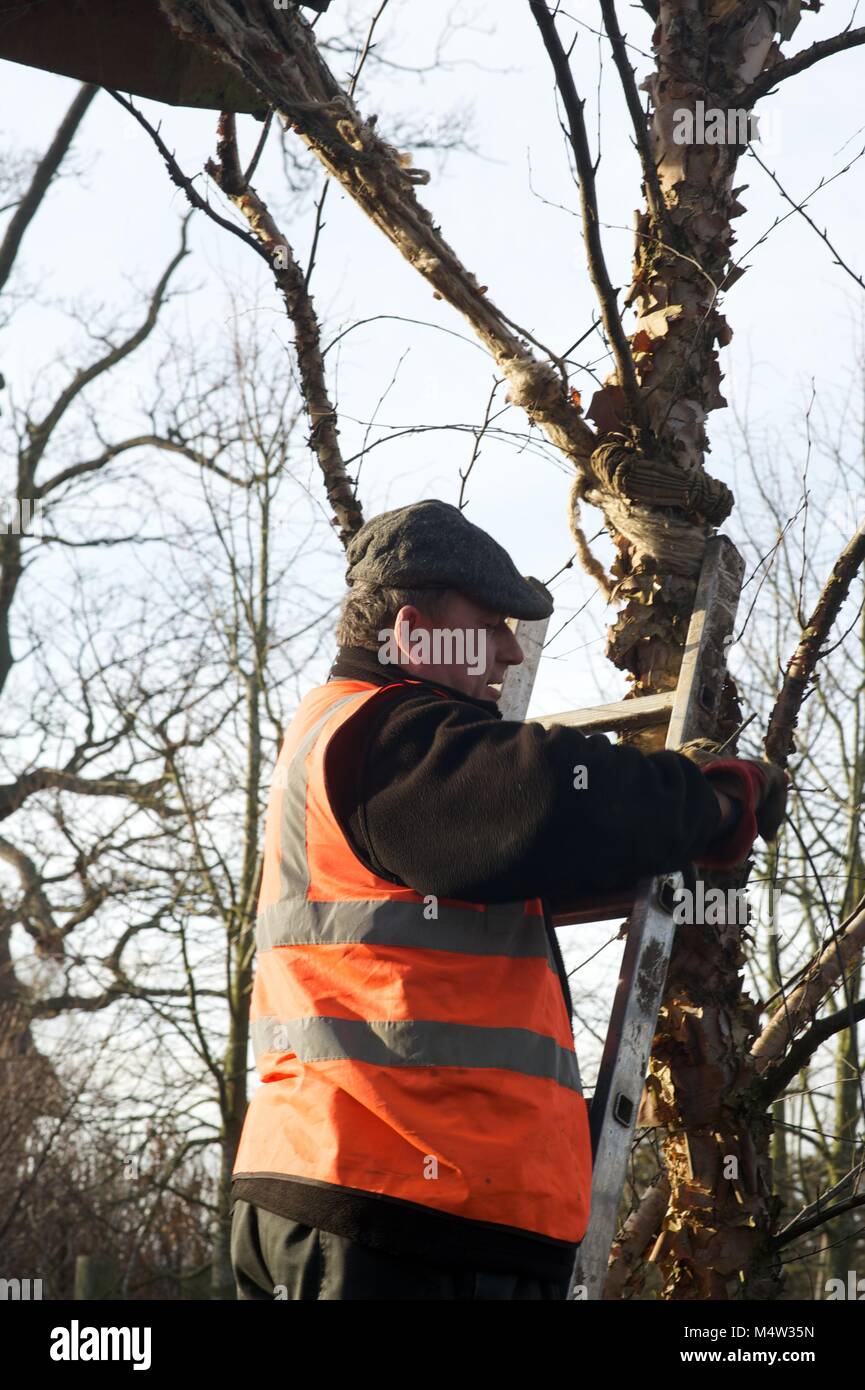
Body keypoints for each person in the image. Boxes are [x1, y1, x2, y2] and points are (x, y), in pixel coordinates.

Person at [229, 498, 786, 1301]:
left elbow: (526, 846)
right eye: (489, 624)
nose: (507, 650)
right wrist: (715, 804)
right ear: (415, 629)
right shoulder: (387, 742)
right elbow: (553, 798)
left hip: (373, 1205)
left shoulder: (355, 747)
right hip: (394, 1216)